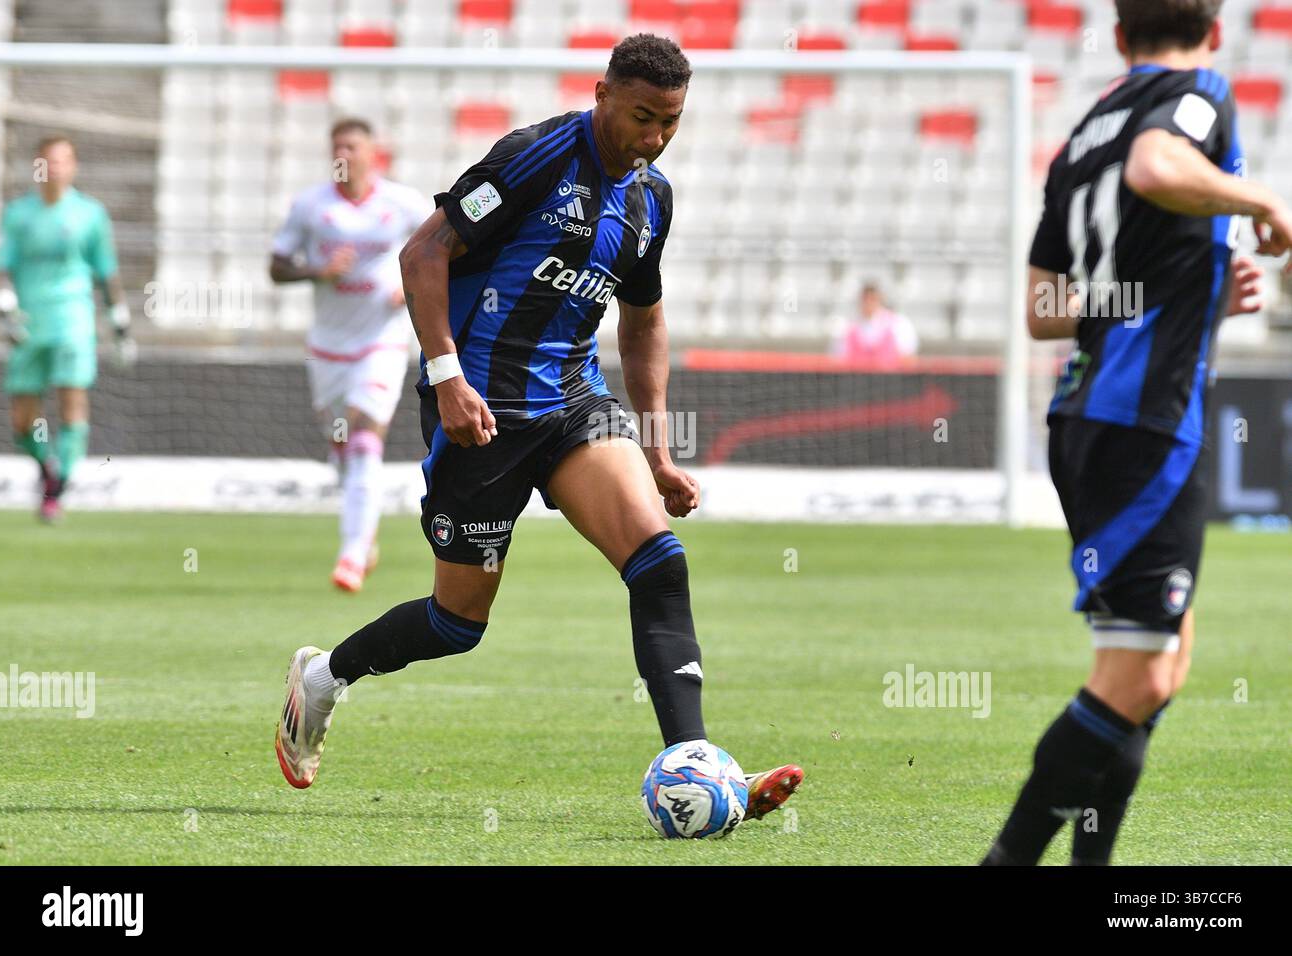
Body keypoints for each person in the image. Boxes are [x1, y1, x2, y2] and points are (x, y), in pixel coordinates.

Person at [275, 34, 803, 824]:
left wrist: (657, 449)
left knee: (659, 564)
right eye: (640, 117)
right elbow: (424, 255)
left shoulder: (649, 197)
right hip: (480, 413)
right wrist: (446, 376)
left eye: (670, 122)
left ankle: (696, 764)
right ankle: (323, 677)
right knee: (457, 625)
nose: (653, 138)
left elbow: (644, 321)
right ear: (601, 95)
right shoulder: (534, 157)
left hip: (572, 403)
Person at [982, 0, 1289, 865]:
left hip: (1087, 415)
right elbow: (1160, 166)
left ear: (1119, 38)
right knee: (1139, 674)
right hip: (1142, 423)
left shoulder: (1084, 132)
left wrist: (1190, 296)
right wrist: (1263, 194)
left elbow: (1047, 309)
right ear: (1215, 31)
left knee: (1161, 664)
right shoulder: (1199, 92)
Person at [270, 118, 430, 592]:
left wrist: (413, 287)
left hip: (380, 342)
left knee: (363, 437)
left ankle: (352, 554)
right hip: (327, 347)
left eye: (353, 146)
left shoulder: (402, 203)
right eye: (337, 146)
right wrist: (316, 270)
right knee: (341, 445)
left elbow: (445, 250)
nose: (344, 154)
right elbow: (277, 267)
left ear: (372, 153)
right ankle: (363, 530)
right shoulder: (310, 206)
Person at [0, 135, 131, 522]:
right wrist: (3, 301)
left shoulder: (89, 215)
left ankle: (57, 490)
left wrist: (119, 320)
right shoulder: (19, 215)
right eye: (48, 161)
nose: (55, 168)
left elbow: (107, 271)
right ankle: (47, 465)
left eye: (63, 161)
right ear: (38, 166)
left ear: (74, 166)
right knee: (24, 419)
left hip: (73, 318)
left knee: (71, 400)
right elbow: (2, 267)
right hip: (29, 323)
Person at [832, 282, 917, 367]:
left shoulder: (899, 324)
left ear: (880, 299)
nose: (869, 303)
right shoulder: (847, 327)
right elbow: (839, 359)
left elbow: (907, 359)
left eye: (872, 299)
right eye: (865, 299)